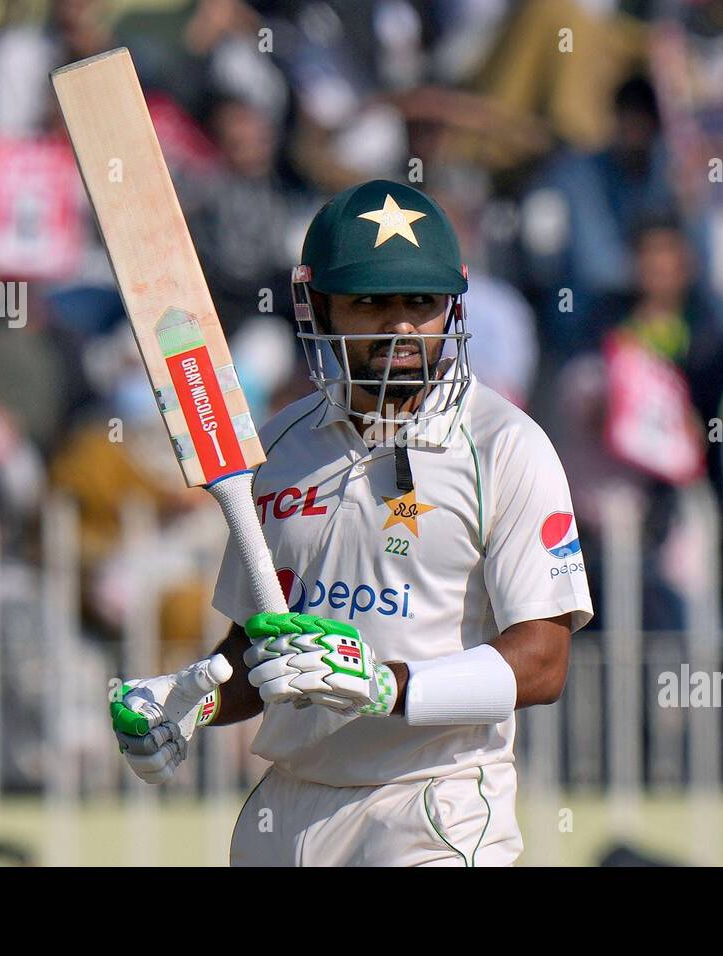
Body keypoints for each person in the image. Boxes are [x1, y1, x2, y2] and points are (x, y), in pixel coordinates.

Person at [109, 180, 593, 865]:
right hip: (288, 811)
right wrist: (190, 702)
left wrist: (386, 685)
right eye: (370, 302)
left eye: (420, 303)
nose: (399, 326)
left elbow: (544, 663)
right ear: (319, 306)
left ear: (451, 307)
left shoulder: (505, 446)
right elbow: (262, 650)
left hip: (434, 801)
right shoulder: (273, 450)